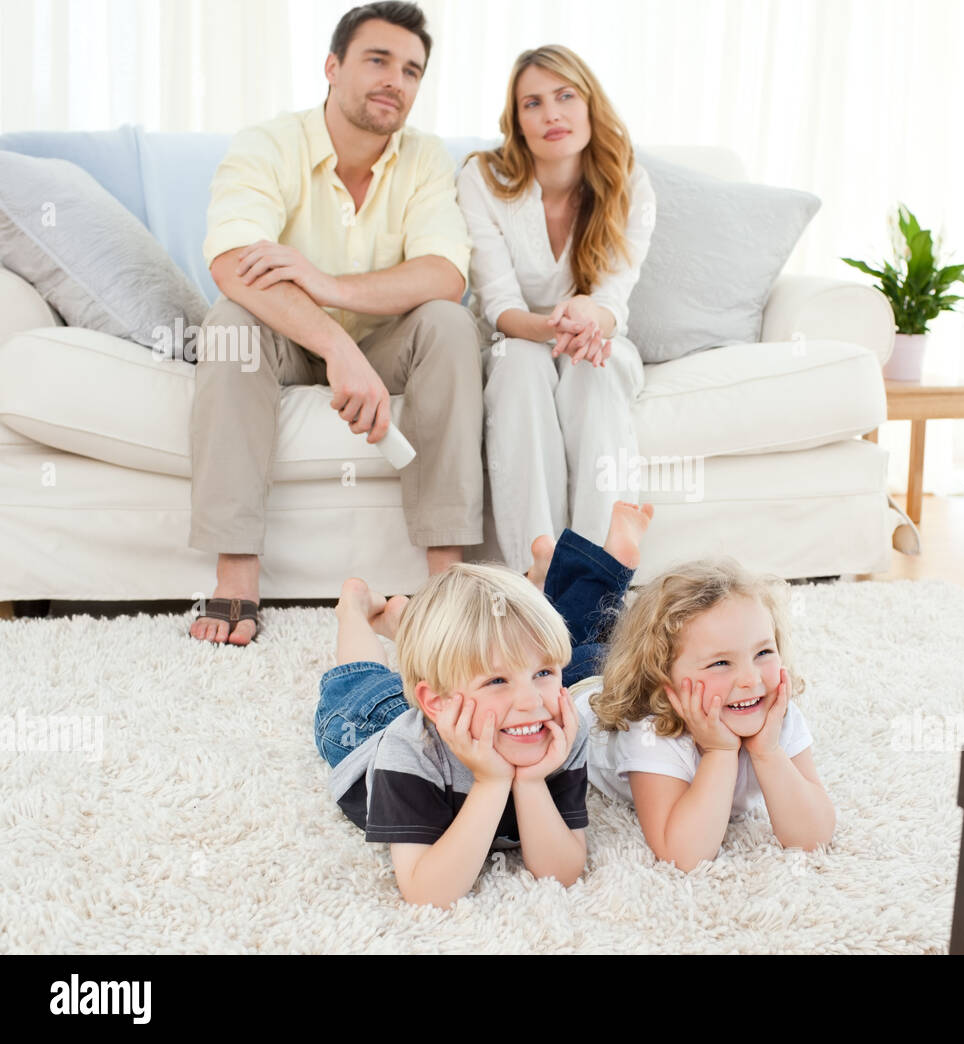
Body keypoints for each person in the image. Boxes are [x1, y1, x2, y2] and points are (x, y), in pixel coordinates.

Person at [190, 2, 482, 645]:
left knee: (450, 324)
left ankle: (446, 583)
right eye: (378, 60)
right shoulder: (268, 143)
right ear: (332, 66)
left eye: (411, 70)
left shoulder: (427, 158)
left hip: (387, 339)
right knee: (231, 320)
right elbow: (235, 261)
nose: (395, 81)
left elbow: (444, 274)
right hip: (287, 337)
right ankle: (236, 573)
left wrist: (326, 285)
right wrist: (333, 343)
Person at [316, 501, 654, 906]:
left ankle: (411, 627)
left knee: (457, 657)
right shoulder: (407, 750)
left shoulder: (560, 732)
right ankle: (353, 609)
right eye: (498, 680)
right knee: (364, 680)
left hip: (460, 705)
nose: (531, 702)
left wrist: (528, 780)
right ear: (434, 701)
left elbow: (561, 872)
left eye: (544, 673)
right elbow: (427, 892)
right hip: (372, 723)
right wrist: (492, 782)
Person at [456, 44, 655, 573]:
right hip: (515, 337)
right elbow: (499, 304)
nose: (551, 114)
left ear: (590, 104)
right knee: (520, 364)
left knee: (599, 365)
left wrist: (589, 320)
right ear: (516, 121)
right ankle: (537, 573)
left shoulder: (627, 182)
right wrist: (553, 326)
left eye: (565, 96)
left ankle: (597, 574)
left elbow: (615, 295)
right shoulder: (482, 179)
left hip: (596, 337)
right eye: (533, 103)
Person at [577, 561, 836, 870]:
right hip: (576, 686)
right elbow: (683, 855)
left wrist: (768, 752)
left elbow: (813, 836)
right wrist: (720, 752)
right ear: (661, 677)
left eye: (763, 653)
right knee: (573, 633)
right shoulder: (650, 732)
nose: (750, 680)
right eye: (721, 663)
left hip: (605, 674)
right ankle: (589, 566)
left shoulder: (775, 712)